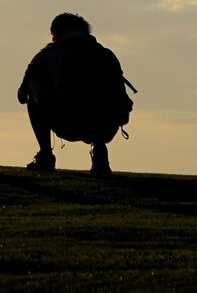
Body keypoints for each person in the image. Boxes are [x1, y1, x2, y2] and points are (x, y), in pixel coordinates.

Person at [17, 12, 132, 175]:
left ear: (57, 33)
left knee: (33, 85)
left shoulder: (49, 53)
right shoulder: (107, 54)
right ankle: (99, 152)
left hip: (70, 122)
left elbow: (21, 95)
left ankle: (45, 155)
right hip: (107, 125)